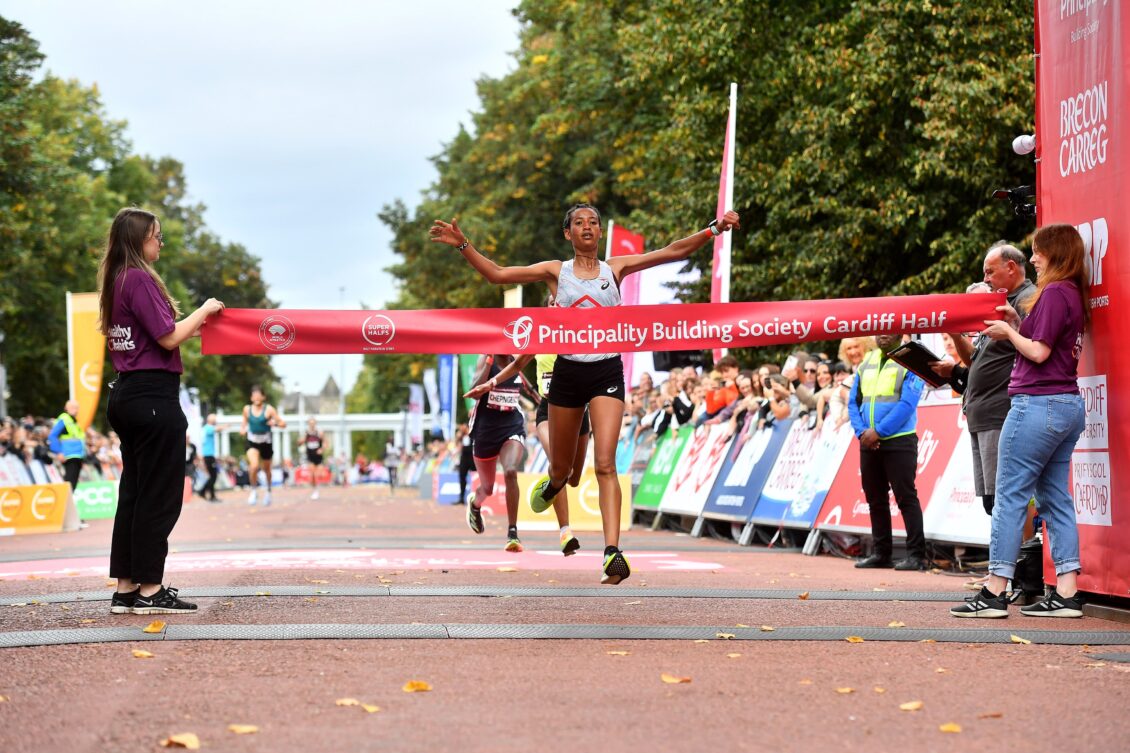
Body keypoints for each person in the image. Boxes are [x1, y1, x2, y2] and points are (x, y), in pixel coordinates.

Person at [431, 204, 740, 584]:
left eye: (593, 222)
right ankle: (553, 482)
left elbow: (671, 251)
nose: (588, 227)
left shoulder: (616, 268)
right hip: (567, 376)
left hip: (607, 371)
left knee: (606, 464)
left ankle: (612, 553)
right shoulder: (554, 272)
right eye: (579, 223)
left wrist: (713, 230)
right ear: (568, 234)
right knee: (566, 472)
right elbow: (497, 275)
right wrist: (464, 245)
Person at [951, 224, 1090, 619]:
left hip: (1037, 404)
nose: (1032, 258)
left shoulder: (1053, 293)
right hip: (1066, 404)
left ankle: (995, 590)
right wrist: (1015, 320)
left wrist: (1007, 333)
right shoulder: (1071, 293)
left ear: (1055, 253)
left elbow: (1039, 352)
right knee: (1055, 500)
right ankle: (1067, 591)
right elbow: (1046, 344)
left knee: (1010, 496)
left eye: (1037, 251)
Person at [97, 207, 224, 614]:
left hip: (127, 394)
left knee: (133, 493)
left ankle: (126, 587)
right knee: (158, 495)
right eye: (156, 236)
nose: (161, 242)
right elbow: (168, 338)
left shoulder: (115, 280)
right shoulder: (138, 279)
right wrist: (204, 311)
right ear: (139, 240)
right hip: (152, 395)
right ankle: (151, 588)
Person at [930, 243, 1036, 517]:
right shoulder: (997, 304)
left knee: (1006, 499)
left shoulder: (1029, 300)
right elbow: (975, 361)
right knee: (992, 501)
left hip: (1001, 413)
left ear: (1010, 267)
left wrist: (1014, 325)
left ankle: (1018, 558)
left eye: (990, 272)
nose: (986, 279)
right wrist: (955, 336)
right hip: (981, 413)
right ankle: (1011, 556)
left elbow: (1037, 347)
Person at [466, 352, 589, 556]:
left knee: (513, 471)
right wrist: (488, 366)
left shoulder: (517, 361)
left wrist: (541, 400)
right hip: (486, 430)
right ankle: (476, 504)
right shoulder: (487, 359)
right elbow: (476, 390)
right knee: (487, 488)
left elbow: (529, 387)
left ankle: (512, 533)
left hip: (511, 425)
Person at [848, 332, 928, 571]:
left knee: (906, 497)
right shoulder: (867, 361)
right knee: (875, 500)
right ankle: (881, 553)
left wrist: (878, 432)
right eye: (880, 330)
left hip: (899, 440)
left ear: (900, 332)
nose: (883, 334)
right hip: (868, 441)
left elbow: (908, 403)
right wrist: (862, 432)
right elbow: (853, 401)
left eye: (890, 329)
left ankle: (917, 556)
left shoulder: (912, 359)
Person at [241, 385, 286, 506]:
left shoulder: (269, 409)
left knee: (267, 470)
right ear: (251, 398)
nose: (256, 398)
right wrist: (243, 429)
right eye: (254, 396)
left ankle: (268, 491)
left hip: (266, 441)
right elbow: (244, 423)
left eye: (258, 395)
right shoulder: (246, 409)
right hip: (252, 441)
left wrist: (275, 423)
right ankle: (254, 490)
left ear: (263, 397)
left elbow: (283, 424)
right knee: (254, 466)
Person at [47, 399, 85, 492]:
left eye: (76, 407)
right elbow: (52, 436)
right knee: (69, 485)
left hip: (77, 456)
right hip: (69, 456)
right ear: (66, 408)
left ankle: (67, 505)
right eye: (72, 407)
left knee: (72, 485)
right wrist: (58, 452)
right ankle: (64, 505)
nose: (75, 409)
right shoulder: (64, 419)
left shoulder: (74, 421)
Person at [304, 418, 326, 500]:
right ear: (308, 424)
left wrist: (322, 449)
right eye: (310, 423)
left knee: (318, 474)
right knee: (312, 475)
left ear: (315, 423)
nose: (312, 424)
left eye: (313, 423)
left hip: (318, 457)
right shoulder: (306, 433)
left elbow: (325, 443)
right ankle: (315, 490)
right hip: (310, 456)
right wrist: (303, 439)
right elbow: (300, 442)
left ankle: (317, 488)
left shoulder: (319, 433)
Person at [199, 414, 220, 502]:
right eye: (215, 419)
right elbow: (216, 429)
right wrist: (226, 426)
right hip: (208, 455)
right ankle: (204, 492)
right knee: (213, 476)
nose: (216, 421)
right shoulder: (208, 428)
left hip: (209, 455)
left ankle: (206, 493)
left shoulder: (206, 428)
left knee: (212, 476)